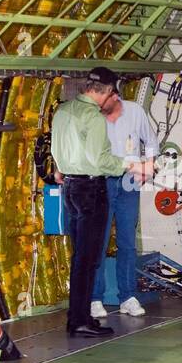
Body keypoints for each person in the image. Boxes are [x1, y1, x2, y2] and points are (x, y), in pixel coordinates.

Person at [50, 68, 150, 338]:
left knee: (80, 256)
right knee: (89, 258)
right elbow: (100, 160)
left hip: (70, 187)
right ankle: (80, 320)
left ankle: (80, 315)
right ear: (106, 91)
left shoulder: (63, 112)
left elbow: (55, 152)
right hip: (92, 188)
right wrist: (130, 163)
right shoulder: (93, 118)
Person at [90, 93, 158, 319]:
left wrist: (148, 165)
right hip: (102, 180)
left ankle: (128, 297)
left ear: (115, 96)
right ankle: (94, 298)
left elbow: (151, 141)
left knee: (127, 241)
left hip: (129, 180)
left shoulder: (135, 111)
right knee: (98, 241)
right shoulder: (92, 113)